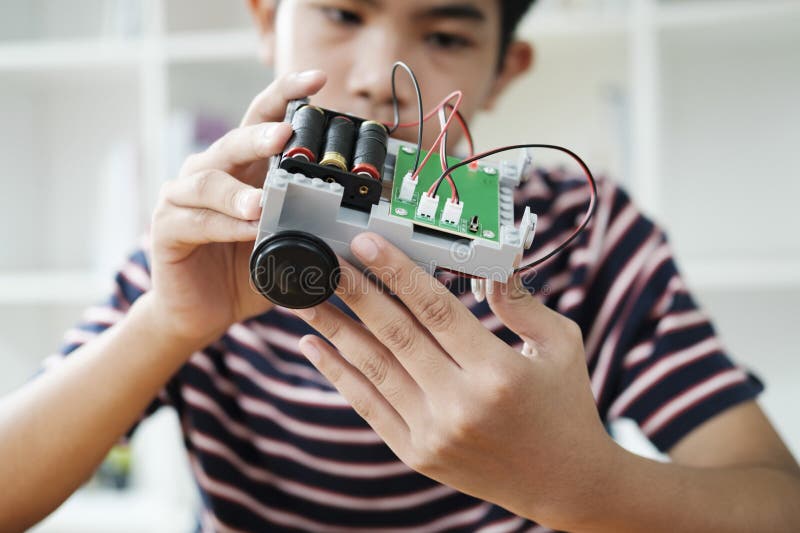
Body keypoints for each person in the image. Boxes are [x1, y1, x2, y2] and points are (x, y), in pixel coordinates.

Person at [2, 0, 799, 531]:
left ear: (506, 67)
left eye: (445, 35)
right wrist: (167, 322)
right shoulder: (207, 227)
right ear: (264, 17)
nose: (378, 77)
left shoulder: (582, 240)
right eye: (343, 12)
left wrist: (580, 483)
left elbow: (777, 500)